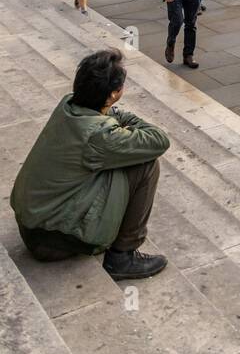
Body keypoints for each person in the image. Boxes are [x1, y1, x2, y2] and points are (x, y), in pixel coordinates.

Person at [10, 48, 169, 280]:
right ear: (114, 94)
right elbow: (158, 140)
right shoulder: (99, 135)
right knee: (146, 165)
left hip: (31, 225)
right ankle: (122, 257)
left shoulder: (68, 104)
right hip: (56, 240)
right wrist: (123, 117)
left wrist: (109, 111)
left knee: (119, 157)